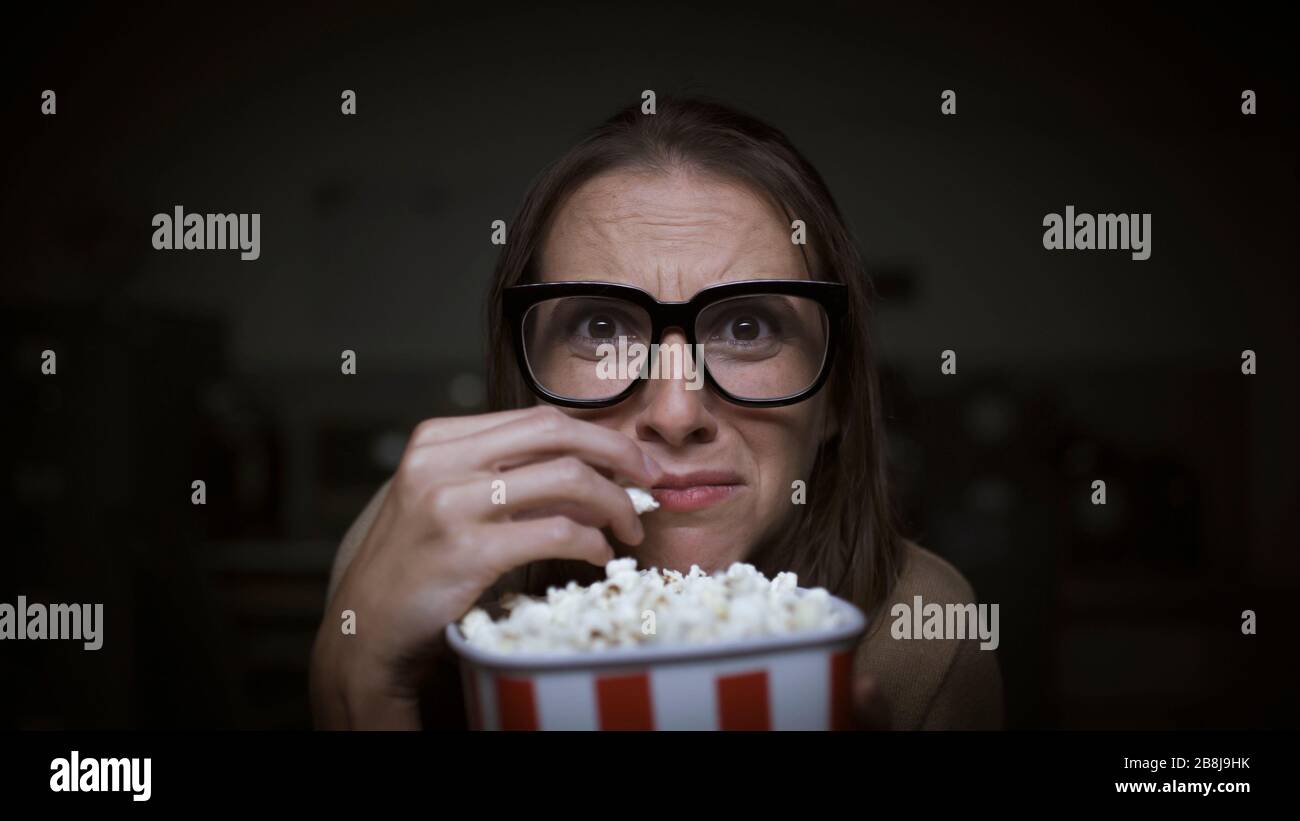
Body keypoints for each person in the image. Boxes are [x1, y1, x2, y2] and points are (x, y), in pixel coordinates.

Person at [310, 97, 1003, 730]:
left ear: (838, 399)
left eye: (746, 328)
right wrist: (363, 689)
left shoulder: (922, 635)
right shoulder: (417, 561)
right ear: (528, 384)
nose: (675, 412)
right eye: (603, 328)